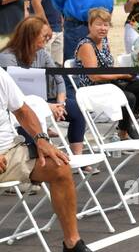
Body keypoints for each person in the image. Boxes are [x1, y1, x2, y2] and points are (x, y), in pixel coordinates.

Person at [0, 66, 110, 252]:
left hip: (11, 151)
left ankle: (72, 246)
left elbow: (22, 110)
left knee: (59, 167)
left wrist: (41, 139)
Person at [0, 16, 88, 155]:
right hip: (21, 107)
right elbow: (16, 95)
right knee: (29, 123)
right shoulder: (7, 57)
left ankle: (78, 157)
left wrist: (60, 104)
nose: (48, 39)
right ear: (31, 36)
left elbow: (59, 79)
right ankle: (38, 162)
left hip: (45, 101)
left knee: (76, 109)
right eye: (44, 36)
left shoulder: (42, 53)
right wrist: (47, 106)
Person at [73, 7, 139, 137]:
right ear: (90, 25)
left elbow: (109, 66)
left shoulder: (104, 41)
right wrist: (122, 75)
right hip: (92, 88)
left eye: (106, 25)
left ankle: (130, 118)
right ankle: (125, 129)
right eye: (99, 24)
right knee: (129, 97)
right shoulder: (87, 45)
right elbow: (94, 76)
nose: (103, 28)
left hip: (109, 83)